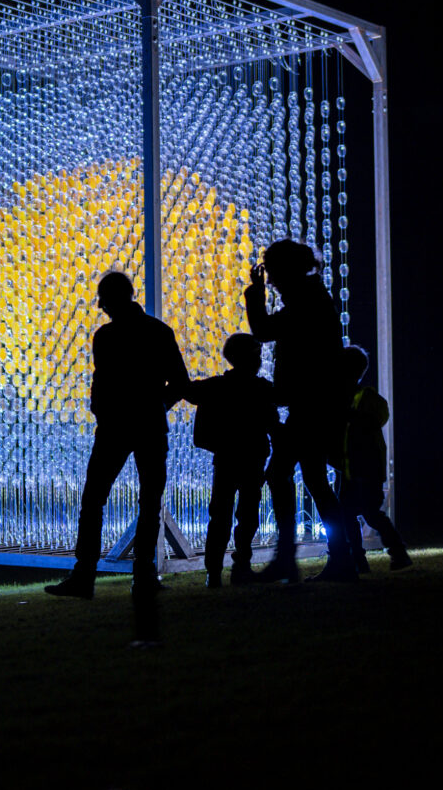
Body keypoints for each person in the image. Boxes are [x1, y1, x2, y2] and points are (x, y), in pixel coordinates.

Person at [45, 271, 188, 604]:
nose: (100, 305)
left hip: (115, 427)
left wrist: (105, 409)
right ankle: (143, 577)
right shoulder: (157, 332)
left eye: (103, 299)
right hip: (147, 426)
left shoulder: (107, 336)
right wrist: (156, 406)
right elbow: (179, 381)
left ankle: (85, 576)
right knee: (148, 503)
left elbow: (103, 381)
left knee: (94, 499)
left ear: (112, 299)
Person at [244, 239, 356, 582]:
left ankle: (297, 559)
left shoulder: (306, 301)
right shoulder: (311, 297)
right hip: (314, 405)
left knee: (286, 475)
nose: (272, 279)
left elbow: (262, 331)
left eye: (273, 271)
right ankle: (336, 558)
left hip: (311, 407)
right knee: (313, 480)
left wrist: (254, 294)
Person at [182, 333, 279, 586]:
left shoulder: (215, 386)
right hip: (253, 457)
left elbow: (189, 391)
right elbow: (273, 421)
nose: (259, 360)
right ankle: (241, 566)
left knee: (221, 515)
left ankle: (214, 572)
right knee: (247, 514)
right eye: (256, 355)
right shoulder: (261, 389)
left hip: (225, 458)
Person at [338, 345, 412, 573]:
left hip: (365, 469)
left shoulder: (365, 397)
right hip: (351, 469)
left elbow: (376, 418)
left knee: (370, 513)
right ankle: (359, 559)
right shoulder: (349, 398)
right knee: (349, 514)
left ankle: (397, 552)